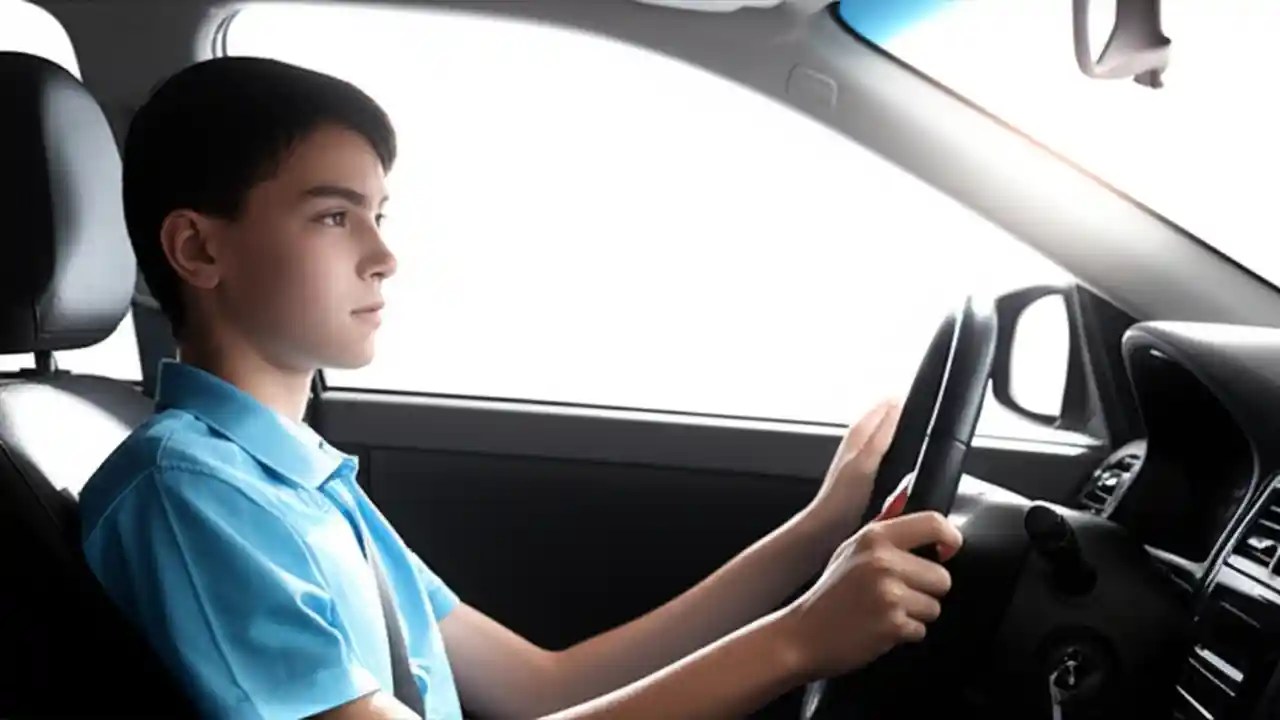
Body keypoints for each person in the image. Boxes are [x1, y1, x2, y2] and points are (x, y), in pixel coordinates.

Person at [80, 56, 963, 720]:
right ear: (199, 249)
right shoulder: (190, 494)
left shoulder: (299, 482)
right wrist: (801, 638)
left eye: (377, 217)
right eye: (332, 216)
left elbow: (549, 684)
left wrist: (817, 532)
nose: (384, 257)